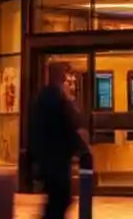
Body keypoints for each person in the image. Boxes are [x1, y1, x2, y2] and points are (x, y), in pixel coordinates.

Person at [29, 63, 89, 219]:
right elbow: (67, 125)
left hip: (51, 159)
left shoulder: (45, 97)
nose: (66, 78)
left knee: (58, 199)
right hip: (56, 159)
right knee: (60, 198)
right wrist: (81, 148)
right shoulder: (56, 98)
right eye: (64, 75)